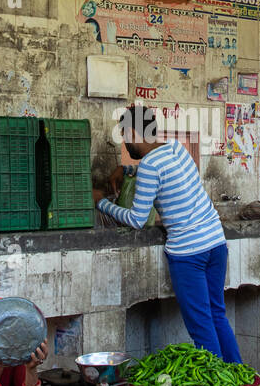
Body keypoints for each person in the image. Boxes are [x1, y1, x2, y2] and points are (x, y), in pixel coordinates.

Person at [94, 104, 242, 363]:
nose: (125, 143)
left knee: (201, 326)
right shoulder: (175, 149)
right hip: (215, 243)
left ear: (132, 132)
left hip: (189, 253)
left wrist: (101, 202)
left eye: (124, 135)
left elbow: (137, 220)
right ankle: (238, 379)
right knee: (217, 315)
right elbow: (162, 174)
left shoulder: (151, 164)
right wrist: (126, 169)